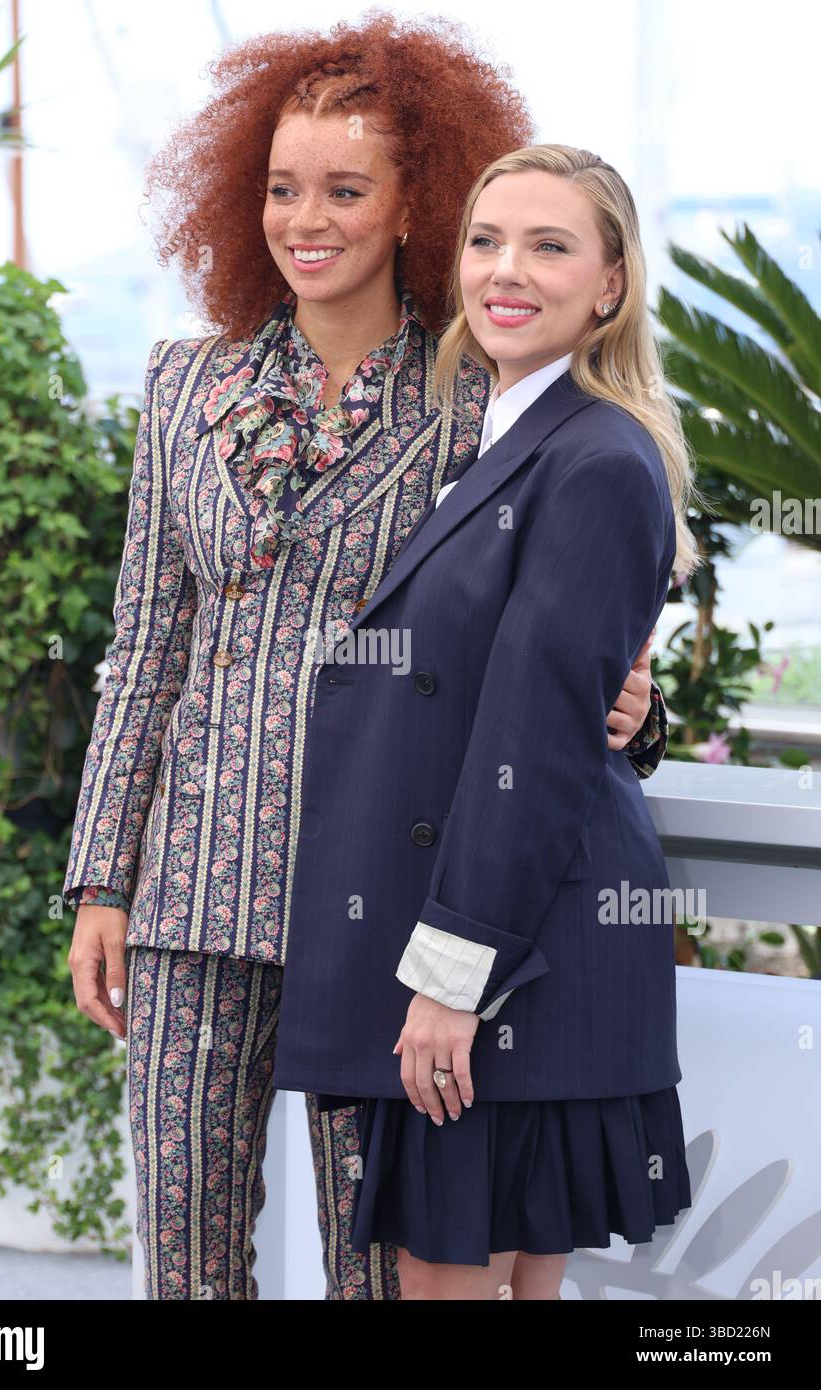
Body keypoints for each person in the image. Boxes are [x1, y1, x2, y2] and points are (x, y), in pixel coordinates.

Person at [63, 16, 670, 1301]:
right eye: (283, 188)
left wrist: (639, 700)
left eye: (347, 189)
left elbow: (545, 638)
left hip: (381, 906)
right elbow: (143, 647)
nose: (307, 218)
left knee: (377, 1274)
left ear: (414, 209)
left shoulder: (479, 396)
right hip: (191, 894)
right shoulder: (183, 386)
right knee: (181, 1259)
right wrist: (100, 880)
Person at [273, 143, 701, 1300]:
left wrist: (452, 980)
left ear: (609, 283)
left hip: (514, 960)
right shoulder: (518, 440)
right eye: (484, 240)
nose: (505, 270)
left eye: (548, 245)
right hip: (524, 944)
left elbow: (532, 742)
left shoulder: (595, 457)